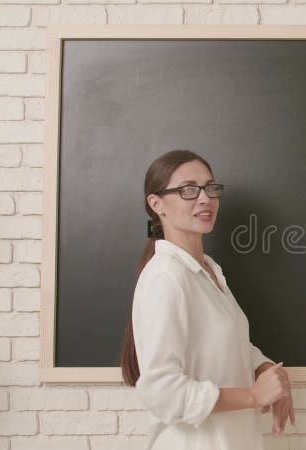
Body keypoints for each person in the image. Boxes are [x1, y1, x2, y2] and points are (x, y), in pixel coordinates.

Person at [119, 149, 295, 450]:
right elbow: (162, 391)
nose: (205, 199)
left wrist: (266, 369)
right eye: (188, 190)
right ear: (156, 203)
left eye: (210, 188)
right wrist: (253, 395)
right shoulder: (166, 277)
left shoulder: (209, 270)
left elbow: (229, 341)